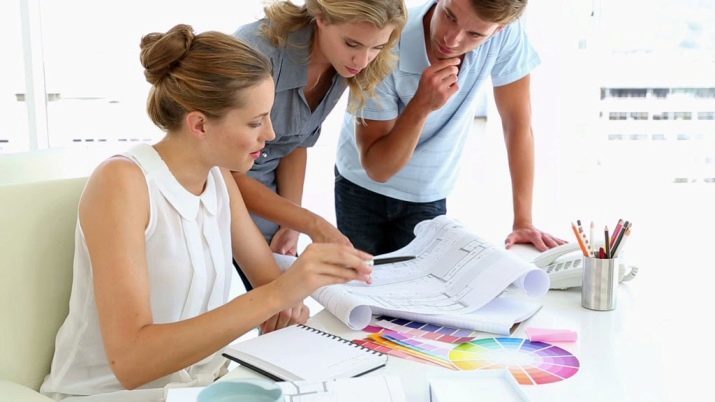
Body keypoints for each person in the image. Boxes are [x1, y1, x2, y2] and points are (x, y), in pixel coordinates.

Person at [40, 24, 372, 400]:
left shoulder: (218, 179)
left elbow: (269, 288)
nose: (272, 133)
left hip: (199, 388)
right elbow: (132, 362)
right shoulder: (123, 183)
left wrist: (297, 292)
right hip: (107, 393)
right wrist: (280, 294)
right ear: (198, 124)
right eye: (255, 121)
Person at [334, 0, 567, 255]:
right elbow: (378, 168)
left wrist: (523, 221)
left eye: (475, 34)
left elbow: (517, 123)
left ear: (498, 30)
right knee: (361, 286)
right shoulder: (386, 40)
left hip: (428, 190)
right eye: (450, 16)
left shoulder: (505, 35)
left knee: (421, 289)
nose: (452, 40)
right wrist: (421, 105)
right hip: (361, 186)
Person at [231, 0, 407, 270]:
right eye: (352, 44)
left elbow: (294, 144)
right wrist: (310, 223)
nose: (362, 61)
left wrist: (291, 226)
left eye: (377, 47)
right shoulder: (257, 52)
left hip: (265, 190)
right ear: (321, 17)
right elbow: (224, 172)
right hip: (218, 189)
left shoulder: (341, 63)